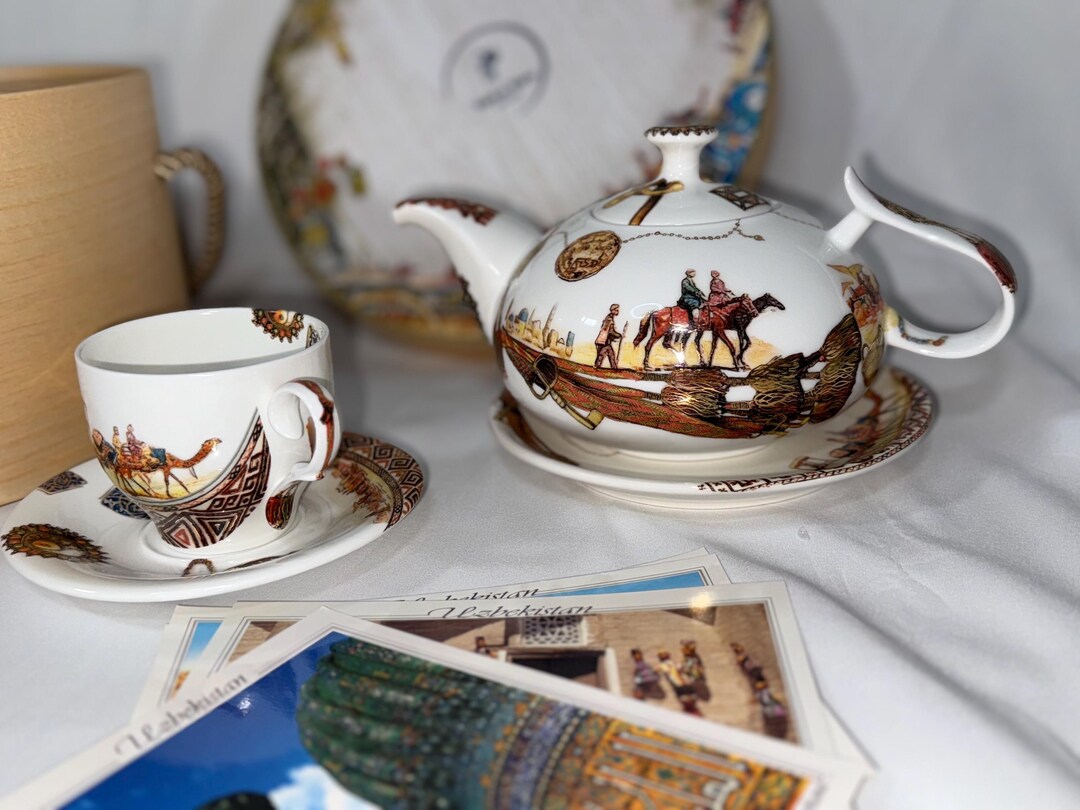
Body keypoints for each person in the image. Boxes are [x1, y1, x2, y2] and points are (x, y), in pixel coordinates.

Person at [657, 650, 702, 715]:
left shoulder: (670, 663)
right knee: (681, 689)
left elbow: (679, 668)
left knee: (684, 688)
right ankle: (687, 699)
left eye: (665, 655)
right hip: (675, 679)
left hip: (679, 678)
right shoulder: (664, 665)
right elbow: (662, 670)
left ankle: (689, 698)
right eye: (663, 656)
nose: (665, 657)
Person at [593, 303, 622, 369]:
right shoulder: (609, 319)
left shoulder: (609, 318)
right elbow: (610, 331)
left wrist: (614, 337)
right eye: (617, 310)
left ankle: (613, 368)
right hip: (604, 341)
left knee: (609, 355)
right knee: (602, 356)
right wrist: (619, 335)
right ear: (613, 310)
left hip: (603, 341)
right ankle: (597, 369)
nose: (618, 312)